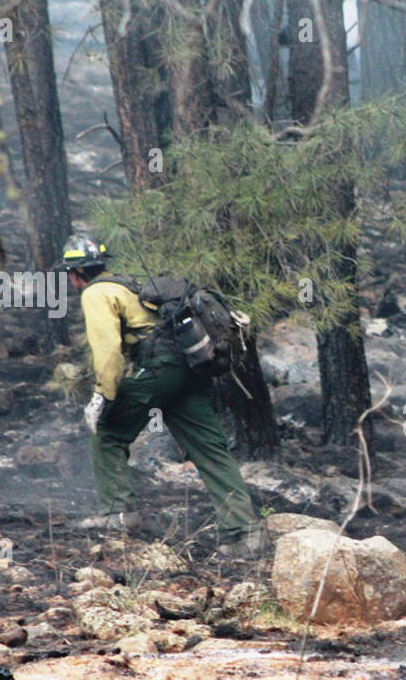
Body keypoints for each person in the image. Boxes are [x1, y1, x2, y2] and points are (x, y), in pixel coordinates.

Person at [59, 231, 267, 560]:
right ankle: (245, 533)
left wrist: (104, 397)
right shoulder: (129, 285)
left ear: (75, 274)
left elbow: (108, 352)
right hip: (189, 370)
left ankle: (118, 517)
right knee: (211, 452)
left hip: (158, 369)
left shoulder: (96, 293)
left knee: (109, 434)